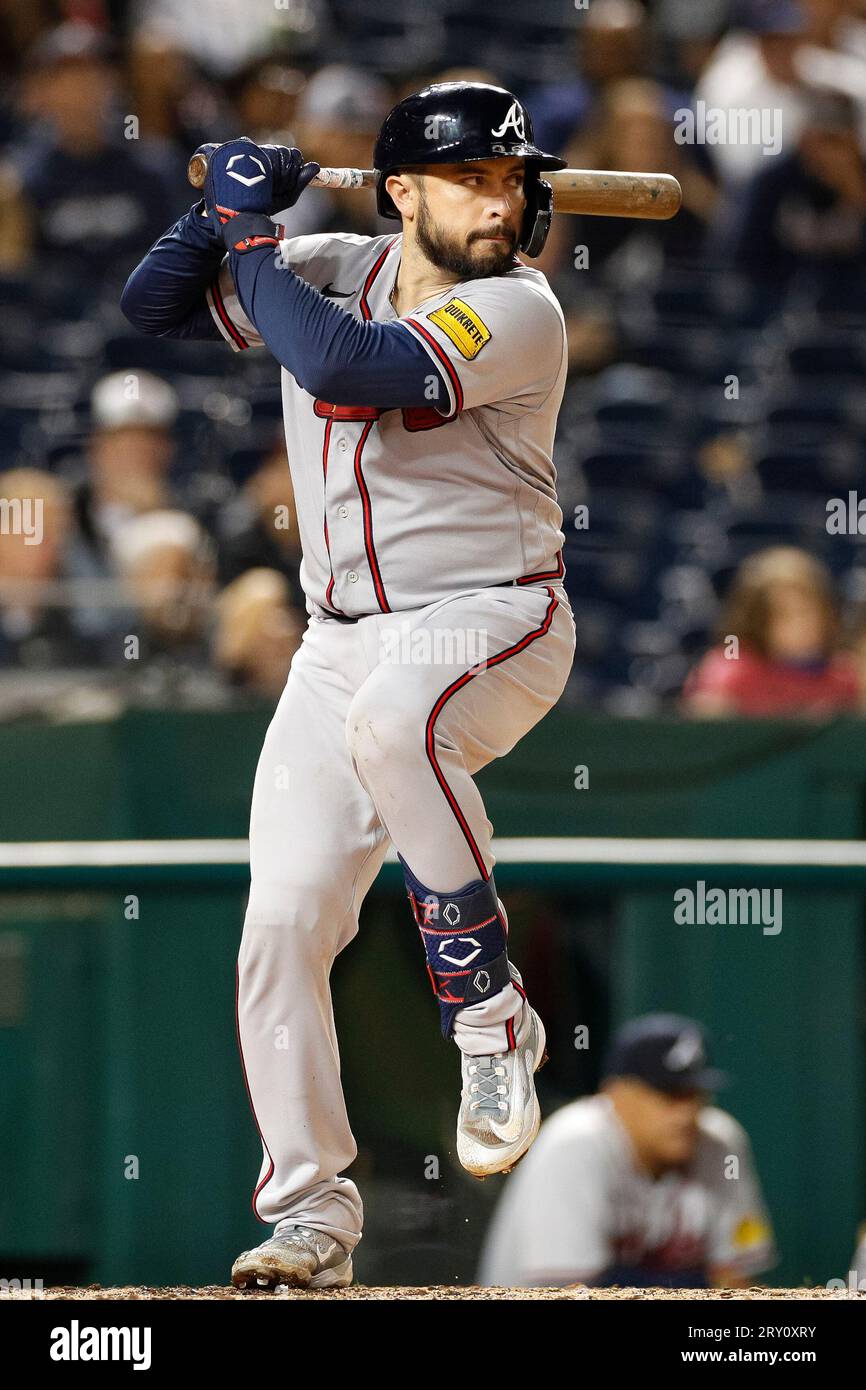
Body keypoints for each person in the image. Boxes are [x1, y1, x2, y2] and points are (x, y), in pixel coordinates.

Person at [120, 82, 577, 1291]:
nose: (500, 201)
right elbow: (150, 307)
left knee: (398, 722)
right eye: (471, 178)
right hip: (337, 637)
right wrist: (213, 215)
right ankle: (312, 1216)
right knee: (278, 927)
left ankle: (488, 1018)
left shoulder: (519, 310)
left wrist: (252, 231)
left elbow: (343, 366)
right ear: (402, 192)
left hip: (494, 615)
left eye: (510, 179)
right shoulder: (338, 258)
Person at [477, 1014, 778, 1289]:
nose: (686, 1113)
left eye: (693, 1094)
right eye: (667, 1095)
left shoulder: (719, 1141)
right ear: (616, 1094)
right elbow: (570, 1294)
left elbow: (733, 1282)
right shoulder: (574, 1142)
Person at [681, 546, 861, 717]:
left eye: (808, 612)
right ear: (757, 620)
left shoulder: (844, 677)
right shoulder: (732, 670)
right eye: (782, 615)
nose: (801, 625)